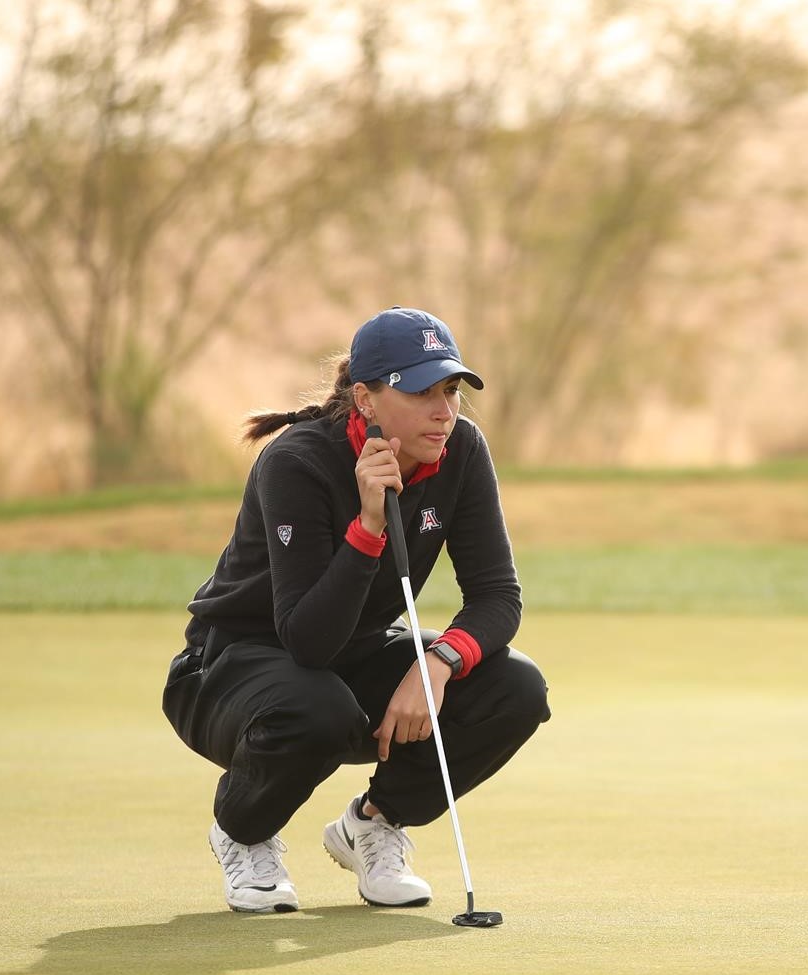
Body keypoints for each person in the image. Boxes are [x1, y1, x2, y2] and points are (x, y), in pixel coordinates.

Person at [161, 307, 550, 913]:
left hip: (353, 654)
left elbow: (499, 596)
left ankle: (373, 823)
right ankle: (242, 831)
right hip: (230, 668)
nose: (444, 410)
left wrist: (438, 664)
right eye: (421, 392)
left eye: (450, 390)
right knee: (318, 707)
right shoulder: (298, 462)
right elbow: (308, 642)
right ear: (365, 399)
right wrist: (368, 527)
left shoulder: (463, 451)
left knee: (516, 685)